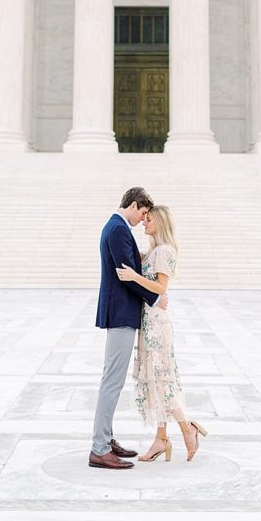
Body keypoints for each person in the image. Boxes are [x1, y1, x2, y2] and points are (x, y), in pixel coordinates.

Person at [118, 204, 208, 461]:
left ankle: (187, 427)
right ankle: (160, 439)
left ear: (161, 222)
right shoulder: (153, 251)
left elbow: (160, 287)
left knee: (162, 380)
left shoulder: (165, 251)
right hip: (148, 321)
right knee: (155, 381)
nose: (144, 222)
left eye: (149, 219)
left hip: (158, 324)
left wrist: (134, 276)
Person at [90, 186, 168, 469]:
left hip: (120, 311)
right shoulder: (119, 229)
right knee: (112, 381)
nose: (143, 220)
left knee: (112, 379)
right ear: (134, 205)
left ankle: (106, 439)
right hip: (121, 313)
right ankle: (99, 448)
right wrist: (156, 297)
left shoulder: (115, 227)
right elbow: (127, 275)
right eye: (144, 213)